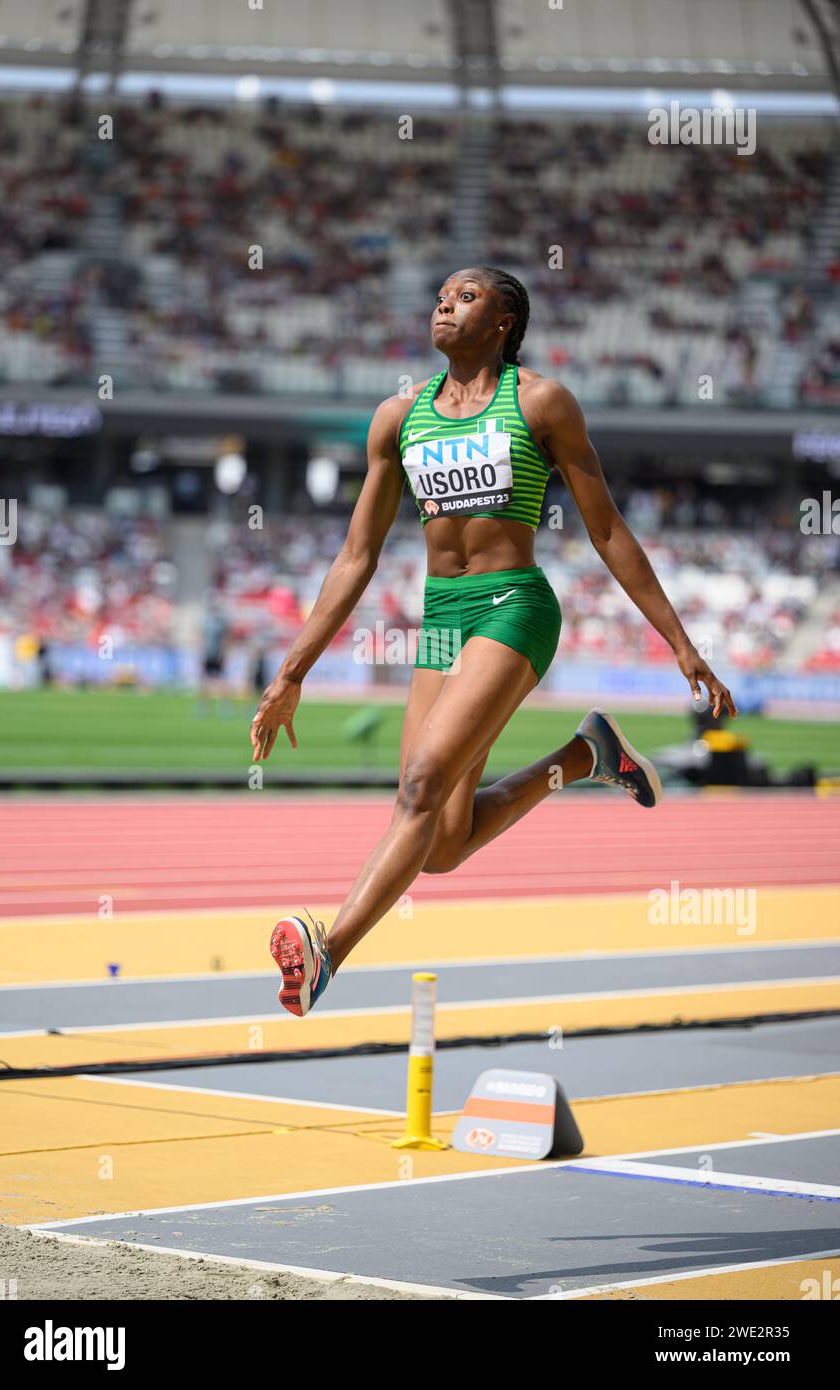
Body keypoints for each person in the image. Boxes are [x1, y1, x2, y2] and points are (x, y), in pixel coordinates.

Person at [250, 267, 736, 1016]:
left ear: (506, 319)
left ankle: (327, 953)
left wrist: (678, 639)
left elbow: (605, 528)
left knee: (417, 788)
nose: (445, 302)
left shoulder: (540, 402)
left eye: (467, 295)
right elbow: (356, 557)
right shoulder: (397, 418)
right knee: (439, 844)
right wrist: (291, 673)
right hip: (442, 619)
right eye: (440, 294)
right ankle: (585, 757)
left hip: (515, 607)